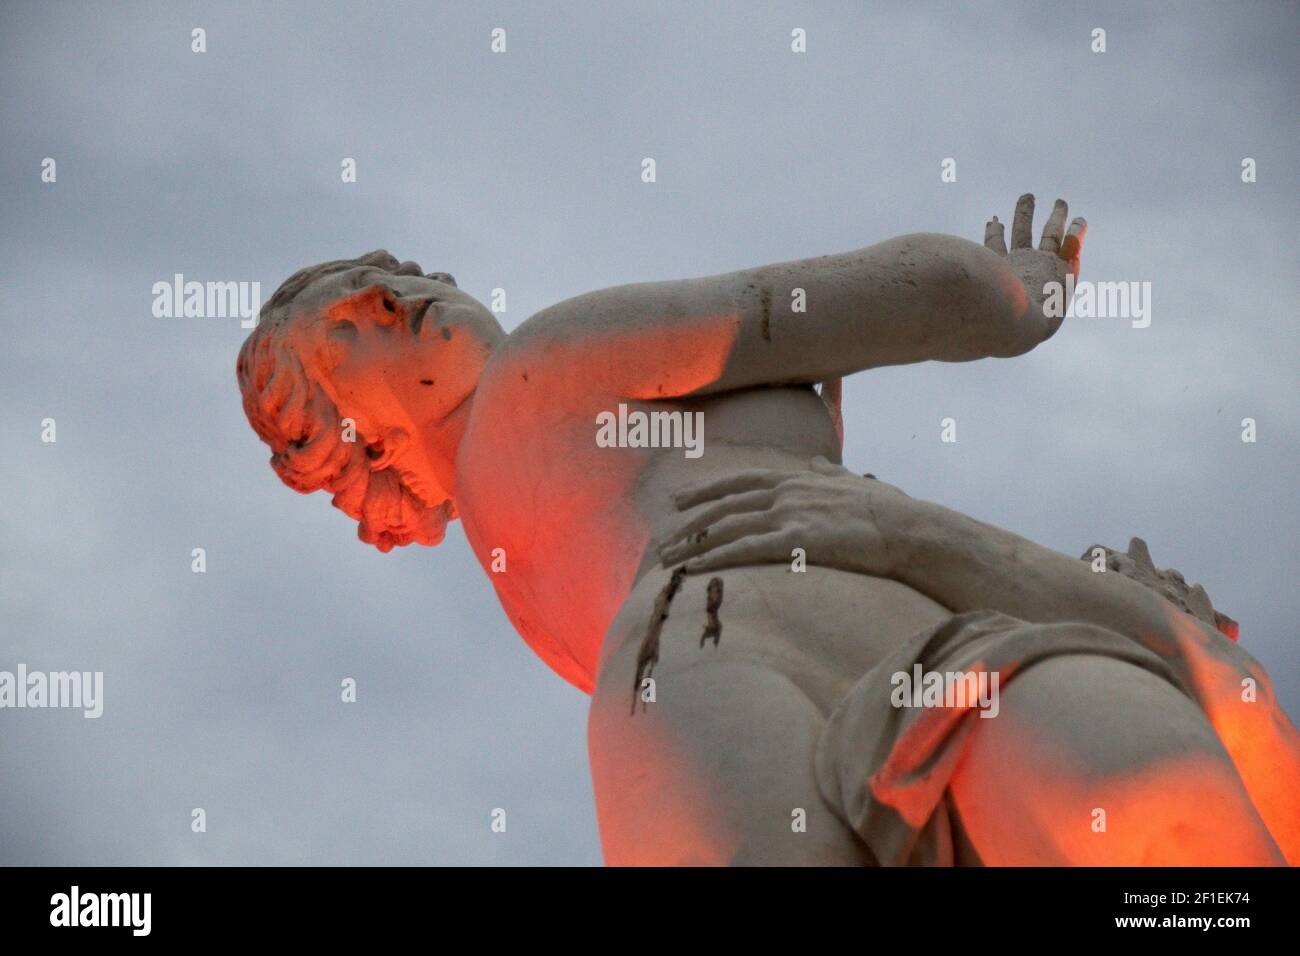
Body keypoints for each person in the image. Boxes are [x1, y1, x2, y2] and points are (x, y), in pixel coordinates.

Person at [237, 195, 1296, 864]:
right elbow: (913, 291)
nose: (388, 295)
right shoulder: (538, 370)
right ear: (367, 458)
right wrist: (1025, 294)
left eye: (409, 284)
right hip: (885, 647)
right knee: (1163, 821)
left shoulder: (543, 592)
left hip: (712, 691)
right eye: (349, 329)